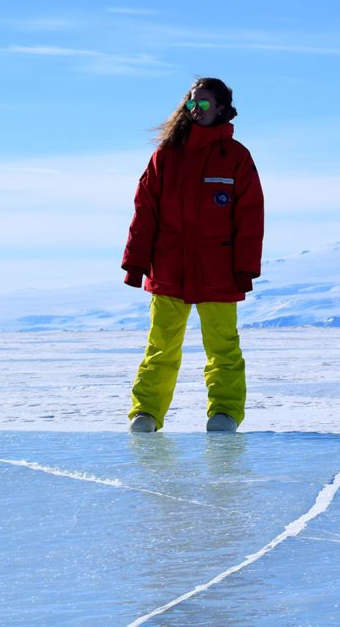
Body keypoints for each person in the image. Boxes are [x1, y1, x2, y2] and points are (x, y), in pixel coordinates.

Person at [121, 77, 264, 433]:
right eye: (190, 104)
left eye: (203, 104)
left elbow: (250, 217)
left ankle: (225, 413)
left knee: (223, 348)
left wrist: (245, 268)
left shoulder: (237, 158)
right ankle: (146, 413)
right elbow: (144, 212)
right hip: (168, 269)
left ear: (221, 109)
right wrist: (136, 264)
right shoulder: (166, 156)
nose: (195, 110)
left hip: (218, 272)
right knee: (161, 347)